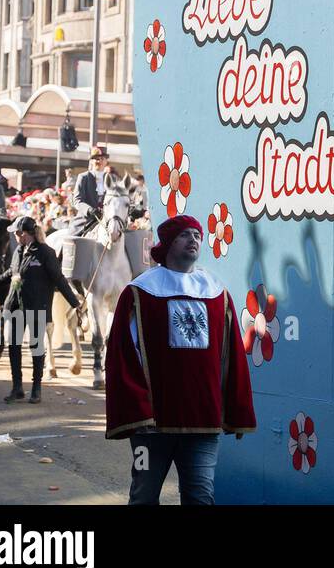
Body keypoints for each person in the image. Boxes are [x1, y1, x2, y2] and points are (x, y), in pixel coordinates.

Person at [105, 215, 256, 505]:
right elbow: (124, 357)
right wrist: (138, 414)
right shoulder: (139, 292)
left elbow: (232, 356)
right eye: (185, 235)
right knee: (143, 496)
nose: (194, 240)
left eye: (197, 235)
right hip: (150, 429)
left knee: (200, 498)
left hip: (203, 424)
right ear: (169, 243)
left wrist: (235, 411)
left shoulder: (215, 292)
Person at [0, 216, 82, 404]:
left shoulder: (46, 253)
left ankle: (36, 388)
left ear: (24, 234)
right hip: (15, 305)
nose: (13, 235)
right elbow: (10, 273)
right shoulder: (18, 251)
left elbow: (59, 279)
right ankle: (17, 387)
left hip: (37, 306)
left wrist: (74, 303)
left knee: (36, 347)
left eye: (16, 232)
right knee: (14, 347)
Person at [70, 145, 118, 237]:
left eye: (102, 158)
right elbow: (77, 200)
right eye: (96, 158)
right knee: (72, 242)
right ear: (91, 161)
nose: (99, 161)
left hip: (107, 220)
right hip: (87, 220)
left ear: (106, 161)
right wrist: (89, 210)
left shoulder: (112, 179)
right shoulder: (83, 177)